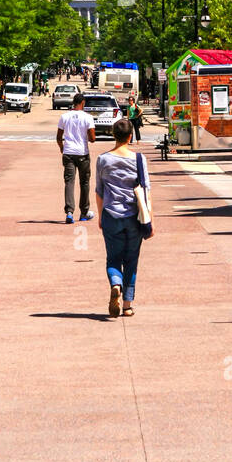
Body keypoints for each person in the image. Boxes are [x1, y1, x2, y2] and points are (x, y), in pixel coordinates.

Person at [95, 117, 153, 318]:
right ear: (130, 137)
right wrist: (150, 219)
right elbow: (145, 190)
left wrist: (101, 216)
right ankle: (127, 305)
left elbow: (99, 191)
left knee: (113, 259)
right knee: (131, 260)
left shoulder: (103, 159)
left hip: (111, 214)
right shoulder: (139, 159)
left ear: (113, 135)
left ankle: (116, 284)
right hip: (134, 217)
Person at [57, 92, 96, 224]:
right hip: (82, 154)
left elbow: (58, 136)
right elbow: (92, 139)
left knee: (69, 182)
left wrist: (62, 147)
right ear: (83, 103)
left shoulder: (64, 116)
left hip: (68, 153)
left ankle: (69, 211)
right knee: (84, 182)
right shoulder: (88, 117)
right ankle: (84, 212)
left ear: (73, 103)